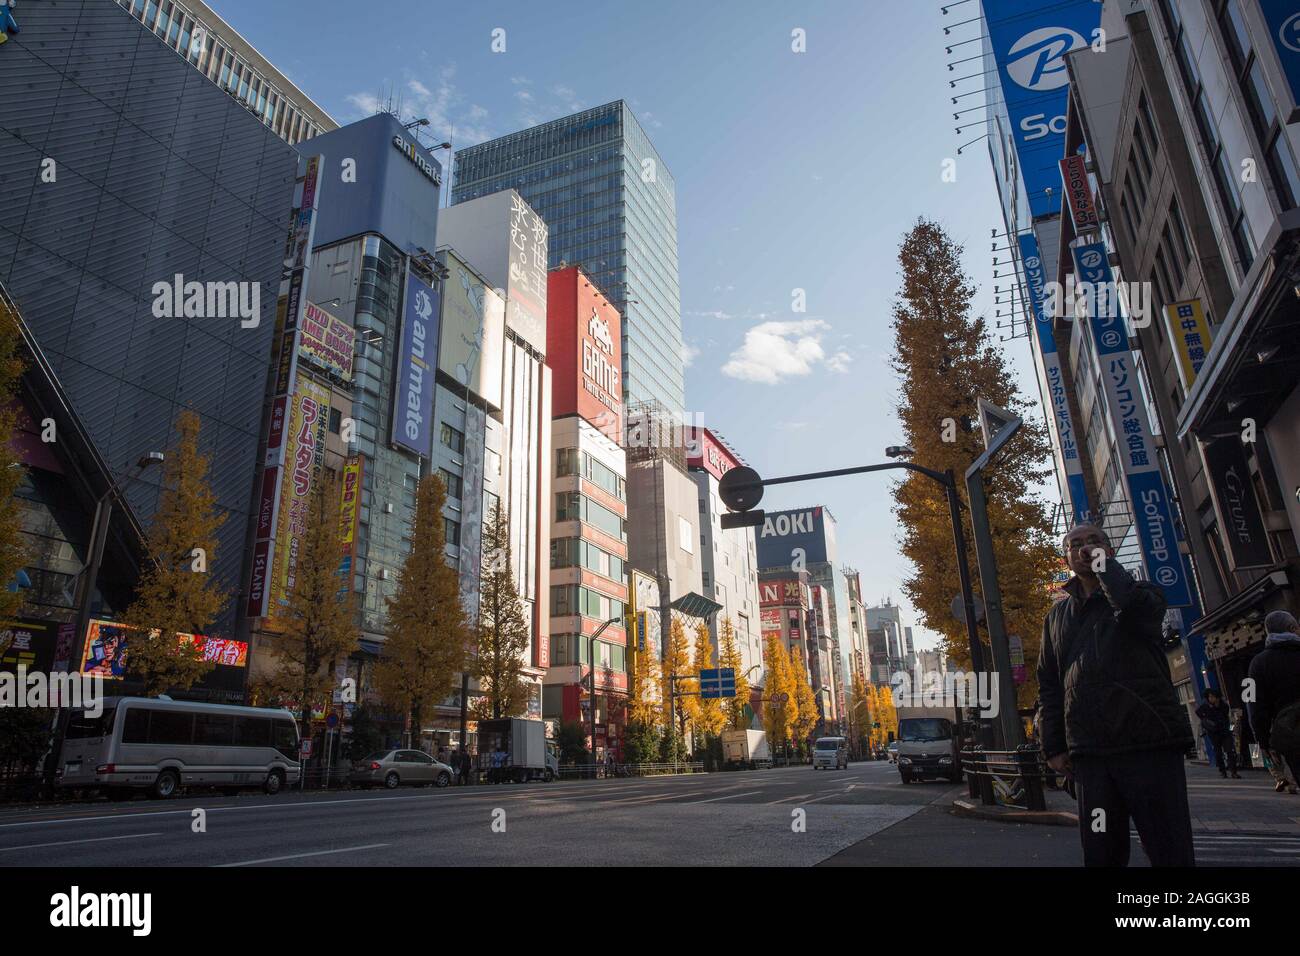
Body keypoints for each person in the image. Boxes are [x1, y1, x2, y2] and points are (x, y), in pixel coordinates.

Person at [1037, 524, 1195, 867]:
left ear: (1109, 550)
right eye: (1074, 544)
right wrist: (1054, 747)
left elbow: (1136, 609)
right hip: (1092, 757)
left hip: (1148, 745)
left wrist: (1105, 568)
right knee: (1101, 850)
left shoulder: (1142, 594)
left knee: (1169, 847)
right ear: (1065, 558)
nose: (1084, 548)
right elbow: (1049, 683)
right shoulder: (1056, 618)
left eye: (1094, 541)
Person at [1246, 610, 1300, 796]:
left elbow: (1251, 703)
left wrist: (1261, 739)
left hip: (1290, 733)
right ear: (1292, 628)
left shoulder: (1256, 664)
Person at [1195, 689, 1240, 779]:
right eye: (1209, 697)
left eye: (1212, 696)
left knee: (1230, 751)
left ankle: (1233, 771)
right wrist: (1205, 720)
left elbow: (1228, 719)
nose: (1210, 698)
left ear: (1217, 697)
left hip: (1225, 731)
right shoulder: (1206, 706)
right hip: (1214, 733)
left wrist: (1230, 730)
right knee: (1218, 752)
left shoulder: (1224, 706)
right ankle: (1223, 771)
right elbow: (1198, 712)